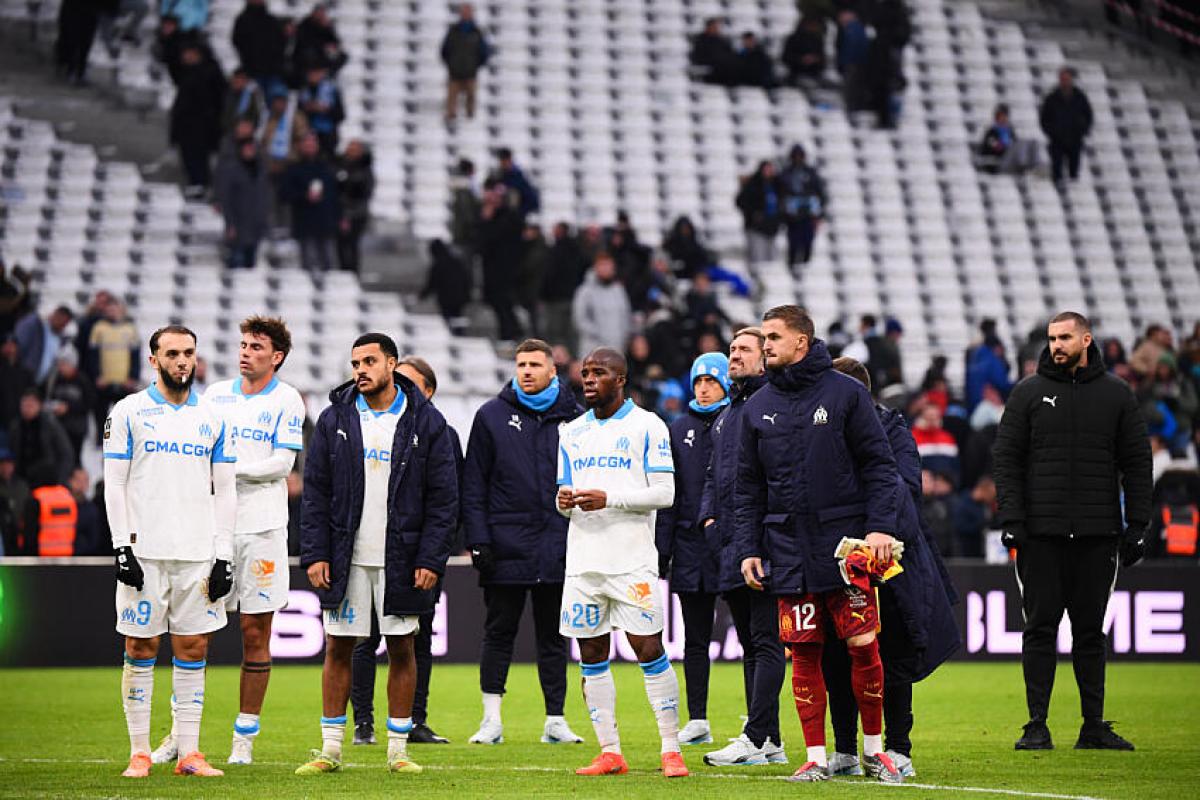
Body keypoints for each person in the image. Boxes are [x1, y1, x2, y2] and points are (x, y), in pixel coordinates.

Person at [733, 305, 903, 783]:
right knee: (802, 651)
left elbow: (879, 466)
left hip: (846, 548)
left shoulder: (846, 393)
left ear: (801, 342)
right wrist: (748, 548)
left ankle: (875, 751)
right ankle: (814, 756)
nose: (764, 345)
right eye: (762, 337)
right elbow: (747, 487)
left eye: (772, 336)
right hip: (787, 548)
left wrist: (880, 528)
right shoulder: (757, 406)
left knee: (863, 643)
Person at [296, 333, 458, 775]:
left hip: (402, 558)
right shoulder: (335, 418)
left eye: (369, 361)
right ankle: (330, 750)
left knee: (403, 648)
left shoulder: (428, 422)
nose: (360, 370)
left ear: (391, 363)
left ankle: (398, 750)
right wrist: (314, 553)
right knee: (339, 647)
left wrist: (430, 559)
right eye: (355, 363)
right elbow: (317, 493)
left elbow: (444, 499)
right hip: (346, 556)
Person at [993, 311, 1152, 752]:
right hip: (1040, 536)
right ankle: (1036, 725)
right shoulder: (1027, 393)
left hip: (1098, 534)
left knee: (1089, 633)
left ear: (1086, 339)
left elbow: (1138, 463)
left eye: (1065, 337)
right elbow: (1006, 460)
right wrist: (1013, 521)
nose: (1056, 344)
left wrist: (1138, 525)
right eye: (1052, 338)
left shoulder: (1117, 395)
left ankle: (1093, 726)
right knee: (1039, 629)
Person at [154, 317, 303, 766]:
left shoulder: (287, 399)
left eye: (256, 346)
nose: (245, 352)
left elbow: (282, 464)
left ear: (276, 356)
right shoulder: (214, 396)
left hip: (261, 530)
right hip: (210, 529)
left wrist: (226, 470)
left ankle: (244, 738)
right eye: (242, 344)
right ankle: (180, 736)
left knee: (255, 634)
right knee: (192, 633)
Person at [103, 324, 237, 778]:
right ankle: (139, 751)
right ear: (153, 359)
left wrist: (224, 554)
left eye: (189, 353)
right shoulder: (129, 412)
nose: (183, 361)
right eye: (173, 353)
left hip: (197, 552)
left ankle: (189, 753)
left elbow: (227, 490)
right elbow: (114, 485)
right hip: (146, 551)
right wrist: (122, 546)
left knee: (194, 647)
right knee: (140, 646)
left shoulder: (213, 418)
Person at [824, 357, 960, 779]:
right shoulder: (819, 432)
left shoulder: (891, 428)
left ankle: (898, 746)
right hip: (836, 559)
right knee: (835, 655)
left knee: (892, 654)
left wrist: (872, 533)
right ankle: (846, 749)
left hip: (890, 561)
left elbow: (906, 488)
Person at [556, 348, 688, 778]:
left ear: (621, 379)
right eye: (586, 373)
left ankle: (671, 748)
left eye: (599, 373)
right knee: (591, 654)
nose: (588, 379)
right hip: (583, 563)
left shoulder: (648, 426)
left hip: (632, 561)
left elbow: (665, 494)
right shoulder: (571, 432)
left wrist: (608, 498)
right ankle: (610, 751)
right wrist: (562, 502)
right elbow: (566, 497)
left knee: (649, 650)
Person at [462, 338, 585, 745]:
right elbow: (473, 485)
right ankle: (491, 719)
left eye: (535, 364)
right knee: (499, 633)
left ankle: (555, 720)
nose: (527, 371)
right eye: (521, 364)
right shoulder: (491, 417)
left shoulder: (576, 418)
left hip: (557, 545)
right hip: (505, 545)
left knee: (554, 635)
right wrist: (478, 540)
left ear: (553, 370)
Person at [700, 328, 787, 767]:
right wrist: (710, 523)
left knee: (767, 641)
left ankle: (755, 736)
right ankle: (768, 738)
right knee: (752, 644)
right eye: (732, 349)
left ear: (764, 358)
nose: (734, 356)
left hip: (763, 544)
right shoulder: (727, 412)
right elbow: (714, 477)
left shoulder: (770, 406)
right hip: (731, 544)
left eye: (744, 350)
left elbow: (776, 477)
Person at [655, 353, 730, 747]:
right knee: (694, 640)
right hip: (688, 546)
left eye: (712, 381)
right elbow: (670, 496)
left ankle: (758, 724)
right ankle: (698, 719)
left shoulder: (736, 420)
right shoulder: (677, 429)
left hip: (731, 545)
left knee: (754, 639)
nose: (703, 387)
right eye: (698, 380)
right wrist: (662, 552)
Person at [170, 42, 228, 199]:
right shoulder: (187, 73)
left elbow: (219, 102)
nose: (185, 57)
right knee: (189, 157)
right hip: (186, 125)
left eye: (189, 53)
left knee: (199, 159)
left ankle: (202, 186)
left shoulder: (210, 73)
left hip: (202, 126)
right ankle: (197, 185)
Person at [214, 137, 273, 270]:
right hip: (238, 224)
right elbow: (226, 199)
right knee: (236, 262)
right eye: (246, 149)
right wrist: (230, 223)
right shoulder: (232, 170)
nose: (249, 151)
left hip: (256, 225)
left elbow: (265, 198)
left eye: (252, 148)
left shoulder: (261, 171)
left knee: (250, 263)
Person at [284, 134, 340, 272]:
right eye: (306, 143)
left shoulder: (326, 168)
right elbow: (285, 194)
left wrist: (338, 217)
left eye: (312, 143)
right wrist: (305, 196)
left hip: (325, 222)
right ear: (300, 146)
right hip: (305, 222)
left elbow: (335, 195)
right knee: (309, 263)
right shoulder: (293, 169)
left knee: (329, 262)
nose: (310, 146)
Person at [87, 299, 141, 444]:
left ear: (121, 310)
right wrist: (97, 376)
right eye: (109, 310)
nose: (112, 312)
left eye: (115, 309)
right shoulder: (98, 328)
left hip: (124, 382)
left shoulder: (130, 329)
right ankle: (100, 441)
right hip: (104, 381)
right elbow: (92, 354)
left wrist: (133, 377)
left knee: (125, 415)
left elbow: (136, 354)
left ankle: (124, 442)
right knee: (100, 413)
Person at [478, 178, 524, 341]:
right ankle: (511, 332)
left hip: (505, 269)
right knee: (498, 304)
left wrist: (486, 221)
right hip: (492, 269)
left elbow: (493, 237)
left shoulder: (509, 217)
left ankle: (511, 333)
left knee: (504, 304)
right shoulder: (488, 216)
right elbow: (479, 242)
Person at [1039, 67, 1093, 186]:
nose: (1065, 81)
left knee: (1074, 171)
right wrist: (1052, 132)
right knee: (1056, 171)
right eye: (1063, 79)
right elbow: (1044, 118)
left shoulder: (1080, 97)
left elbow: (1088, 116)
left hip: (1075, 139)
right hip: (1057, 140)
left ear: (1072, 80)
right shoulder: (1052, 98)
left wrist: (1082, 131)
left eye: (1067, 79)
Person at [572, 252, 631, 360]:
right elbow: (580, 320)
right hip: (593, 351)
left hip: (617, 352)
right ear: (596, 267)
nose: (606, 269)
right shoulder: (585, 291)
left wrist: (624, 340)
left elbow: (626, 316)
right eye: (603, 265)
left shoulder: (619, 290)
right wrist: (602, 336)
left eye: (609, 266)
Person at [9, 389, 74, 486]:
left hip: (46, 479)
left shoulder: (50, 425)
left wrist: (60, 480)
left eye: (30, 405)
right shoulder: (16, 426)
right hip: (21, 479)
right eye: (24, 405)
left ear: (39, 406)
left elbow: (66, 453)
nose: (27, 409)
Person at [440, 3, 491, 122]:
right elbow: (445, 50)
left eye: (468, 12)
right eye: (464, 12)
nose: (466, 14)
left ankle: (470, 117)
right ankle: (451, 115)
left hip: (470, 72)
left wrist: (476, 65)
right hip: (454, 72)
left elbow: (484, 52)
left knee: (471, 96)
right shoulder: (453, 31)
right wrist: (450, 64)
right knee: (451, 96)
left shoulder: (477, 32)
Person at [43, 346, 94, 463]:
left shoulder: (82, 380)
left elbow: (90, 402)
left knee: (74, 459)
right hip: (58, 427)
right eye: (59, 364)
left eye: (64, 364)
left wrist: (69, 408)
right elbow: (47, 398)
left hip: (77, 428)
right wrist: (53, 407)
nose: (61, 368)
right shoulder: (55, 379)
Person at [780, 145, 826, 270]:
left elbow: (820, 193)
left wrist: (819, 214)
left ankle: (806, 266)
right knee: (793, 243)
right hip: (792, 218)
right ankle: (792, 265)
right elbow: (782, 194)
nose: (798, 159)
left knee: (807, 242)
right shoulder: (786, 173)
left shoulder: (811, 173)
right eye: (796, 156)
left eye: (800, 156)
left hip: (808, 216)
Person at [232, 0, 289, 94]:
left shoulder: (271, 20)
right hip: (252, 74)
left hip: (273, 73)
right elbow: (237, 45)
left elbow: (281, 44)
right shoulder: (242, 21)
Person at [335, 140, 375, 272]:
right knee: (340, 246)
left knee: (352, 245)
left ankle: (353, 273)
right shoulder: (340, 166)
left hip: (357, 214)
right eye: (349, 148)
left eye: (354, 149)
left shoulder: (365, 170)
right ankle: (342, 273)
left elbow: (365, 193)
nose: (351, 151)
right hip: (340, 213)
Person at [736, 161, 784, 265]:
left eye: (771, 169)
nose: (769, 172)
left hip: (772, 228)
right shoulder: (753, 185)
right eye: (767, 169)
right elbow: (740, 202)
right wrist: (754, 214)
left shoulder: (776, 185)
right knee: (758, 260)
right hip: (756, 229)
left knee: (772, 261)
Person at [979, 104, 1040, 175]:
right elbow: (996, 147)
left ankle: (1033, 165)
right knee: (1018, 145)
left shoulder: (1009, 131)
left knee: (1033, 142)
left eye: (1005, 115)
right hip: (999, 162)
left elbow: (1015, 142)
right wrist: (1008, 146)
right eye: (1001, 115)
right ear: (997, 116)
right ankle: (1022, 164)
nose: (1004, 118)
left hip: (1010, 160)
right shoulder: (991, 132)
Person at [299, 66, 345, 158]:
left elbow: (341, 115)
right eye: (311, 72)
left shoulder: (332, 90)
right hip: (307, 135)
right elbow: (298, 115)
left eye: (317, 72)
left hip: (327, 137)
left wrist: (325, 110)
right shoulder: (302, 90)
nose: (314, 75)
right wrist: (309, 109)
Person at [690, 17, 739, 86]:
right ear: (708, 27)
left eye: (717, 27)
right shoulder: (701, 40)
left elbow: (730, 53)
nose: (716, 28)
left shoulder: (721, 40)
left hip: (722, 66)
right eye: (714, 26)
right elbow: (698, 56)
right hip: (711, 68)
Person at [781, 15, 827, 83]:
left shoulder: (818, 40)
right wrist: (801, 59)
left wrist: (815, 59)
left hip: (814, 74)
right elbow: (786, 57)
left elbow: (822, 59)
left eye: (814, 25)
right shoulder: (793, 39)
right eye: (810, 25)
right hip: (796, 73)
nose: (812, 28)